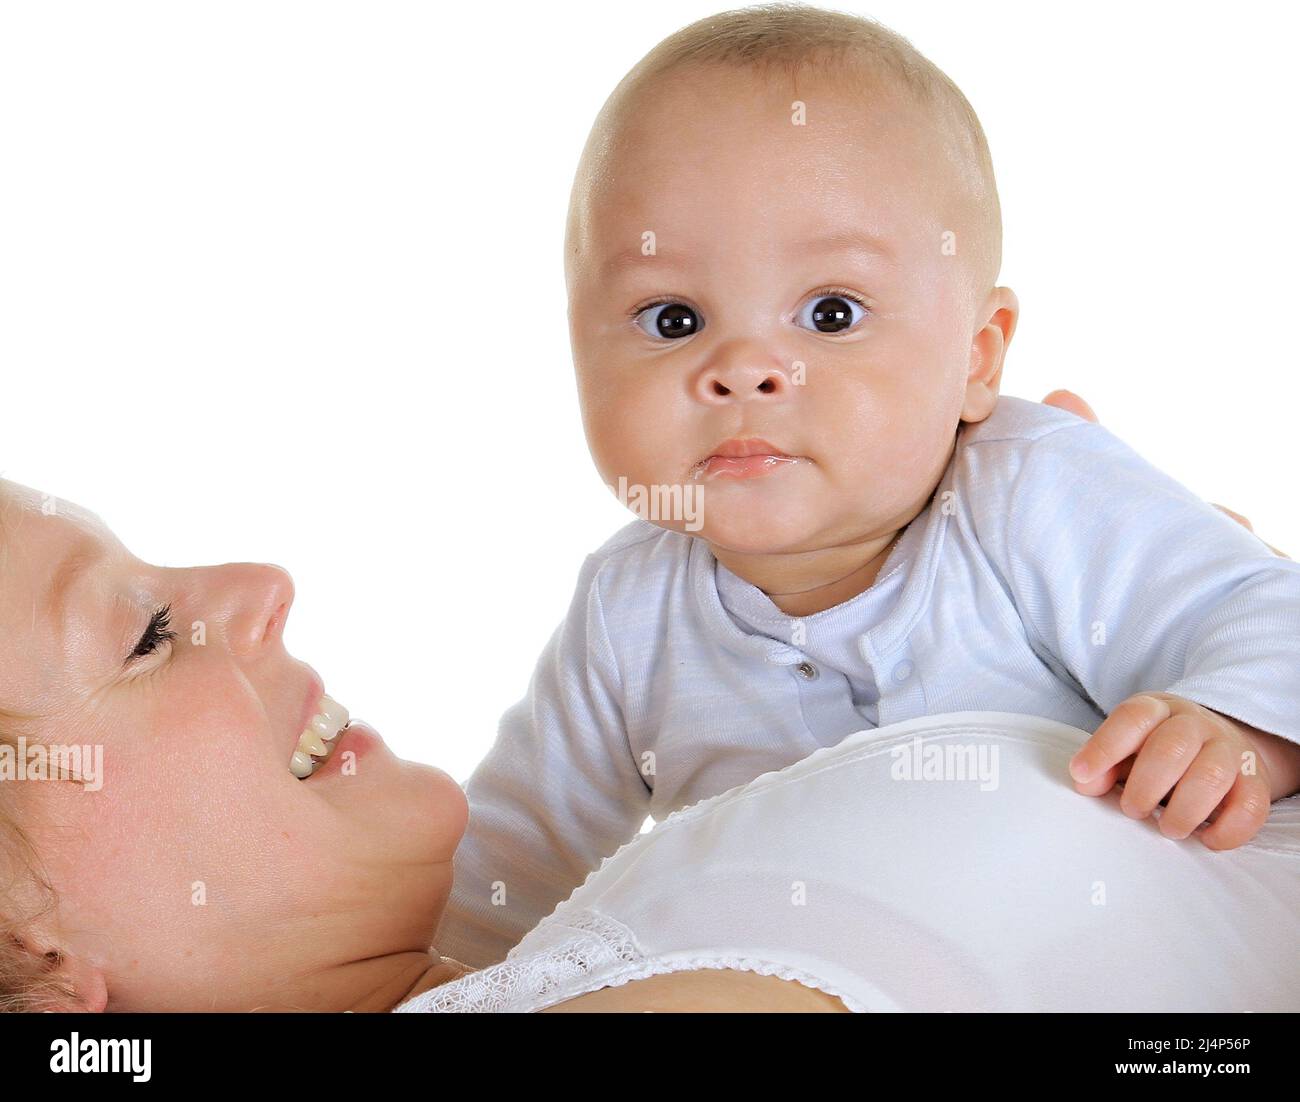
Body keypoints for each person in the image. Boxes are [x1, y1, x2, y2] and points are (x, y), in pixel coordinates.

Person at [434, 3, 1300, 971]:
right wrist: (443, 978)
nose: (745, 370)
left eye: (830, 313)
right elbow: (502, 867)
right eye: (672, 318)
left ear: (977, 358)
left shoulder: (1027, 490)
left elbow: (1267, 611)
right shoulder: (626, 618)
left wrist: (1232, 729)